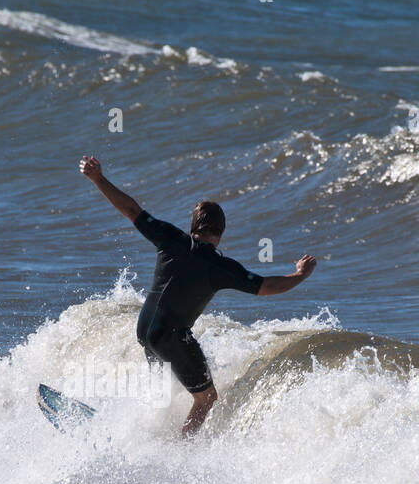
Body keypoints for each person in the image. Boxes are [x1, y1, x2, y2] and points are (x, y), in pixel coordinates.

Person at [79, 155, 317, 435]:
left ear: (193, 227)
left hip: (145, 330)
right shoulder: (221, 267)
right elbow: (267, 287)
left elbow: (131, 210)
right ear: (221, 233)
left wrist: (98, 179)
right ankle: (179, 450)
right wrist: (300, 274)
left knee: (162, 387)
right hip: (171, 336)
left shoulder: (170, 238)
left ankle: (138, 433)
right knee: (206, 399)